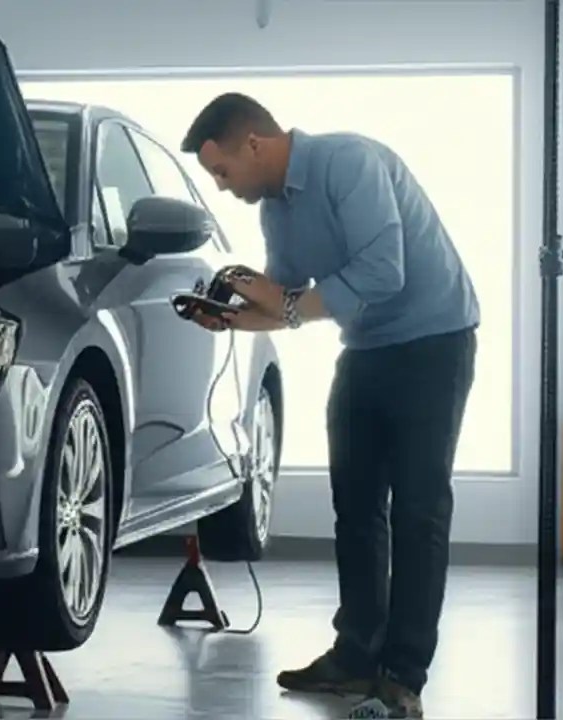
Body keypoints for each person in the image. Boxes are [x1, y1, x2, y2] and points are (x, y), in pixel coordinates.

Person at [178, 92, 480, 719]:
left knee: (420, 509)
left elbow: (382, 273)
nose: (223, 186)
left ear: (254, 145)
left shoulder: (350, 162)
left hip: (434, 340)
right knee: (356, 504)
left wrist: (284, 304)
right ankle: (355, 656)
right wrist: (232, 319)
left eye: (222, 171)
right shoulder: (276, 213)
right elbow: (289, 305)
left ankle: (402, 676)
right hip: (367, 346)